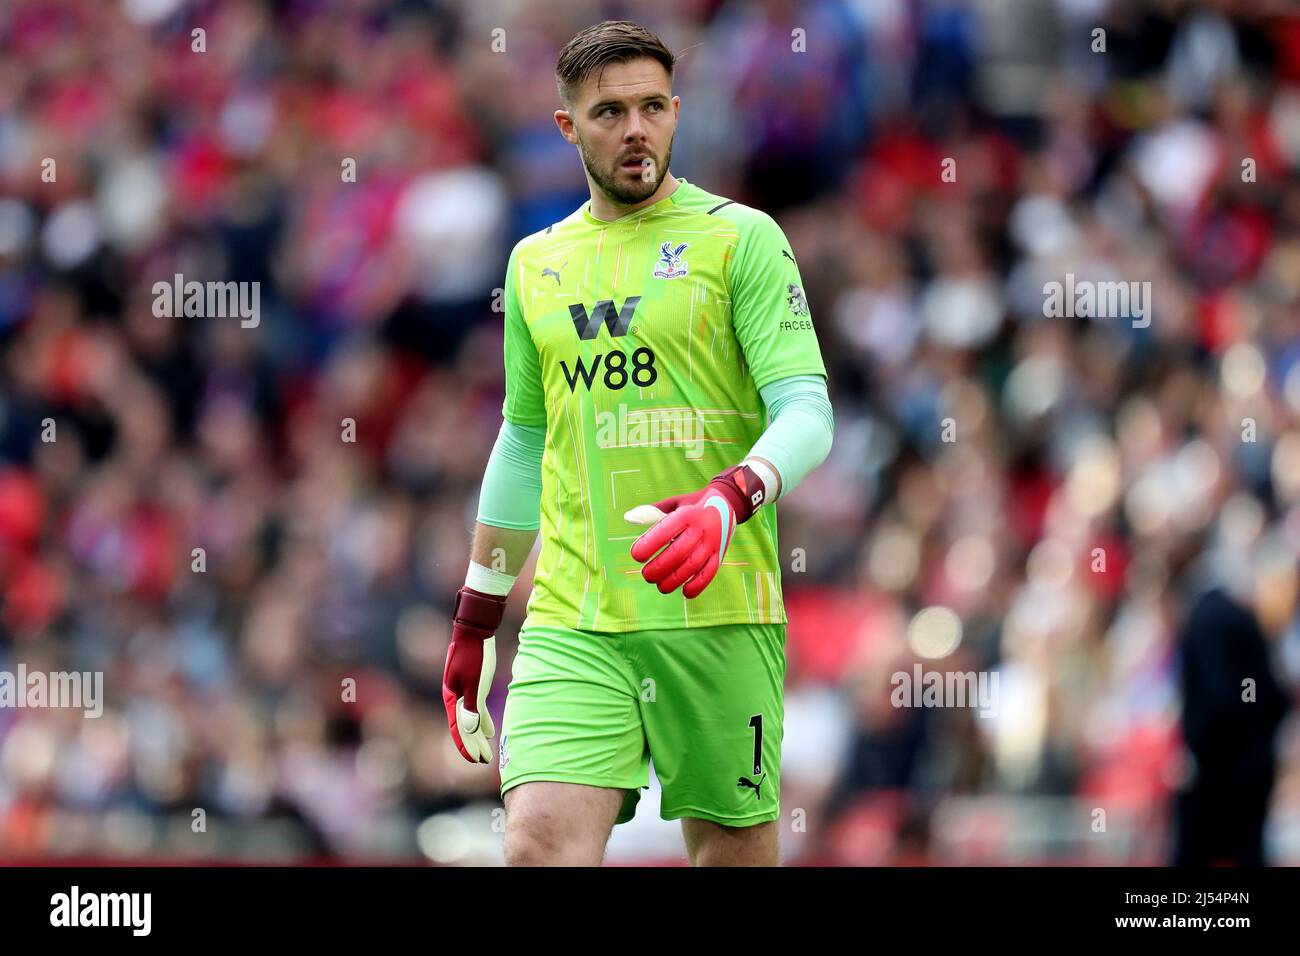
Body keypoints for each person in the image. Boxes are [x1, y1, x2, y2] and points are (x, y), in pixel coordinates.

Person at [441, 19, 834, 866]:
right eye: (610, 112)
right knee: (537, 844)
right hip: (575, 614)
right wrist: (477, 613)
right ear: (566, 126)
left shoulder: (743, 239)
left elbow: (807, 408)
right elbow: (523, 440)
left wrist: (734, 496)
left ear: (676, 113)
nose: (635, 130)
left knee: (731, 853)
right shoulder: (534, 264)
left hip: (718, 609)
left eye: (653, 107)